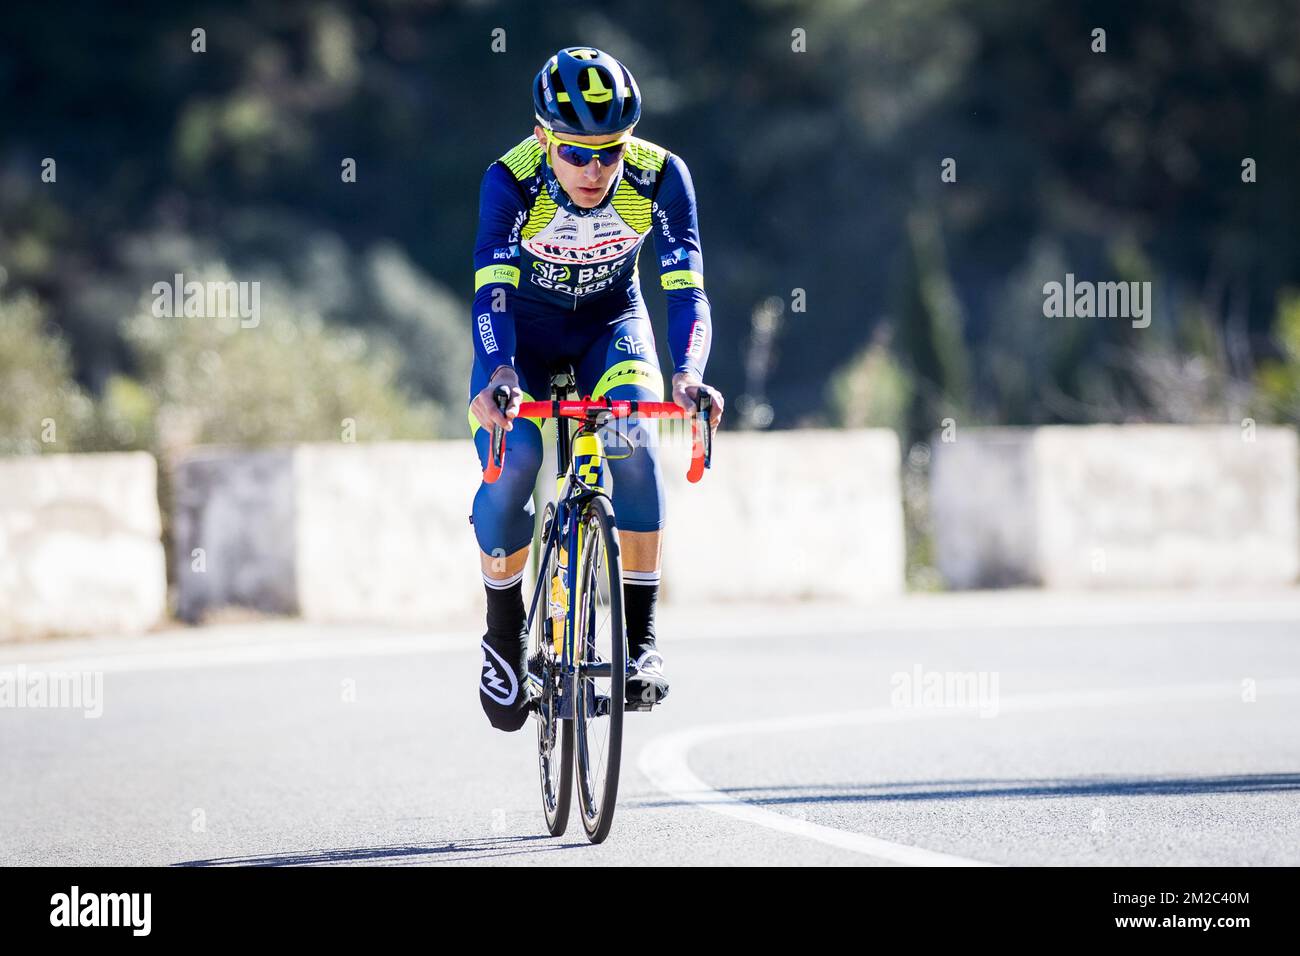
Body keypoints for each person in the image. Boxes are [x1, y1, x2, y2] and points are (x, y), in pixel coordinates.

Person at [468, 46, 723, 732]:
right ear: (544, 138)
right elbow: (490, 295)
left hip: (611, 326)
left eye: (609, 152)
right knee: (516, 458)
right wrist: (498, 375)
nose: (594, 169)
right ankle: (502, 632)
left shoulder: (662, 177)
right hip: (520, 337)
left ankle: (640, 644)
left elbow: (685, 290)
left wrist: (690, 373)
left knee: (630, 440)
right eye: (576, 153)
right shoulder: (510, 180)